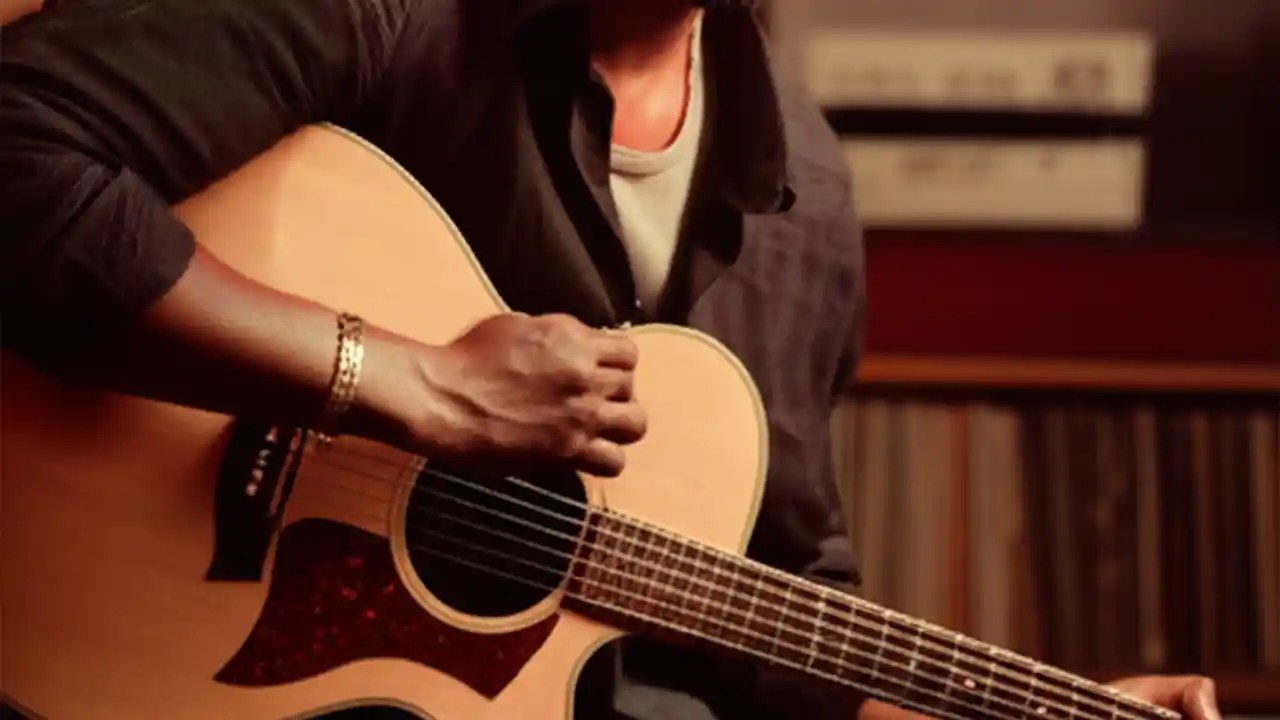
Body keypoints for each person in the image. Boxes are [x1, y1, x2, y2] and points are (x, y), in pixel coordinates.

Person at [0, 1, 1221, 719]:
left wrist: (1023, 709)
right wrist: (405, 381)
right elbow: (21, 153)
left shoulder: (806, 185)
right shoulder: (383, 13)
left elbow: (771, 594)